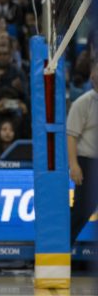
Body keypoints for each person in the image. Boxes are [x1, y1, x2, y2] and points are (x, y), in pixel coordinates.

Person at [67, 59, 97, 246]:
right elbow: (71, 136)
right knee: (82, 210)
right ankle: (61, 247)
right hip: (88, 162)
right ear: (92, 77)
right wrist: (74, 165)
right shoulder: (83, 103)